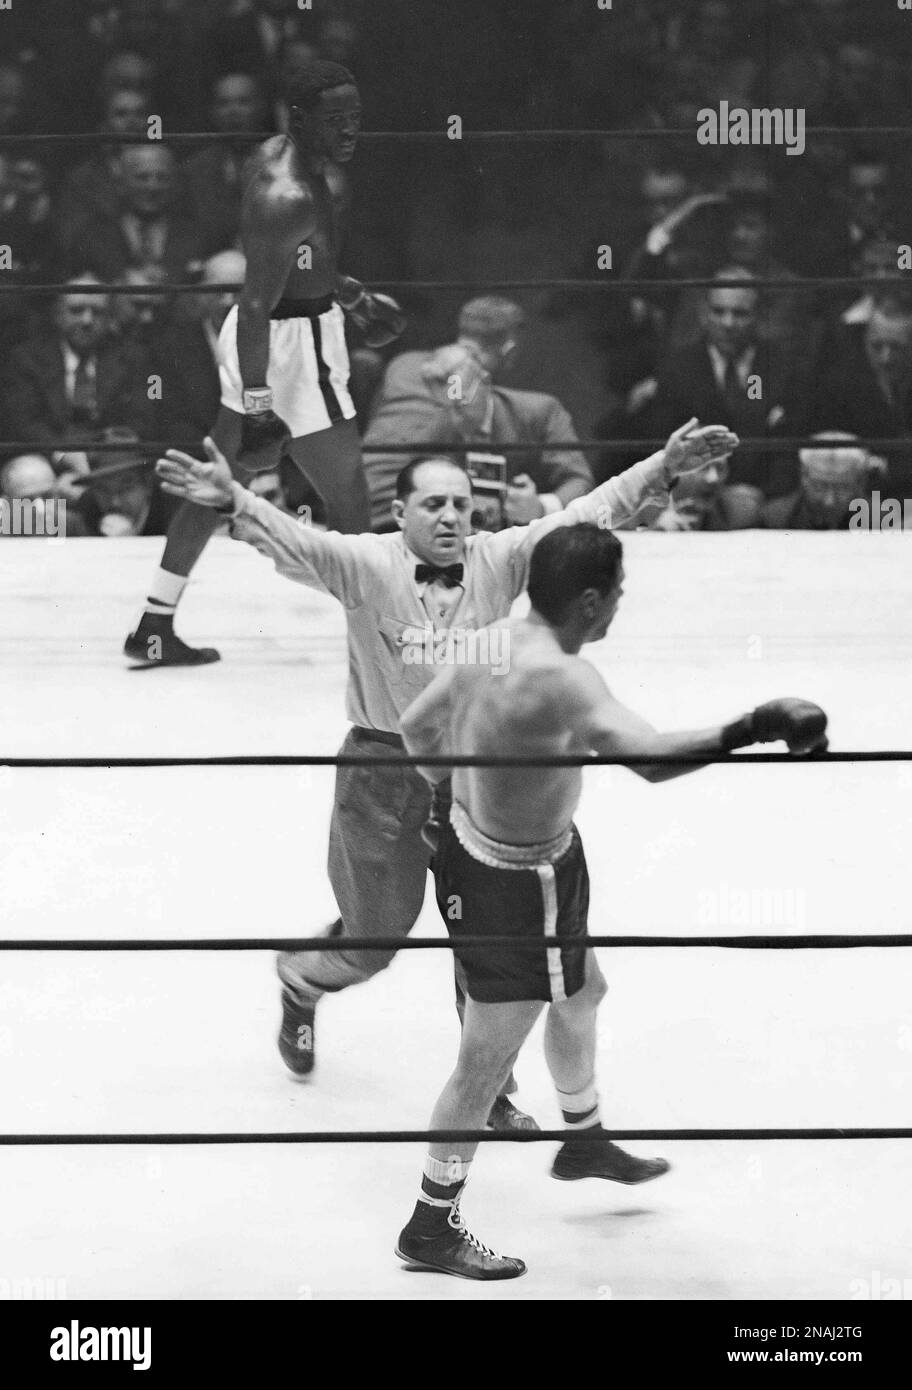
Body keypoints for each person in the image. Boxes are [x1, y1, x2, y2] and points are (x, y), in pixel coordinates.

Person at [154, 417, 738, 1128]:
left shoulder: (500, 558)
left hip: (475, 774)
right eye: (434, 504)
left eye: (462, 504)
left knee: (491, 934)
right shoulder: (366, 564)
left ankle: (490, 1088)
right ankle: (303, 976)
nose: (451, 518)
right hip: (382, 776)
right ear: (399, 512)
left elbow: (592, 513)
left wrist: (664, 463)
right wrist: (232, 500)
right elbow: (296, 538)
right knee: (374, 943)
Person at [394, 523, 829, 1279]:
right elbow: (651, 761)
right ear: (590, 601)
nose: (621, 605)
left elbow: (413, 725)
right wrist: (753, 726)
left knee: (585, 989)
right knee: (485, 1060)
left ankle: (584, 1137)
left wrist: (453, 796)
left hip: (486, 853)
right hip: (519, 884)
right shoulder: (566, 678)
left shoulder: (487, 637)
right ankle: (430, 1226)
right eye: (618, 593)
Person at [124, 60, 405, 668]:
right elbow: (256, 304)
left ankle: (153, 622)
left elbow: (293, 264)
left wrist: (350, 295)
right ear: (300, 119)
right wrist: (259, 406)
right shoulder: (290, 194)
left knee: (218, 481)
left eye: (356, 118)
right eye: (336, 121)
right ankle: (385, 640)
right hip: (285, 345)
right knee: (350, 497)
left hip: (278, 335)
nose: (350, 131)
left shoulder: (280, 158)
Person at [364, 298, 594, 530]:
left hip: (367, 518)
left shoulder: (402, 366)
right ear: (510, 350)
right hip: (417, 528)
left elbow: (579, 481)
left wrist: (538, 507)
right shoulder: (534, 409)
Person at [762, 433, 886, 531]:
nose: (829, 501)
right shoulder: (773, 519)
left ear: (860, 482)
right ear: (803, 477)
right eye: (819, 486)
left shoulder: (883, 521)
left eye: (842, 487)